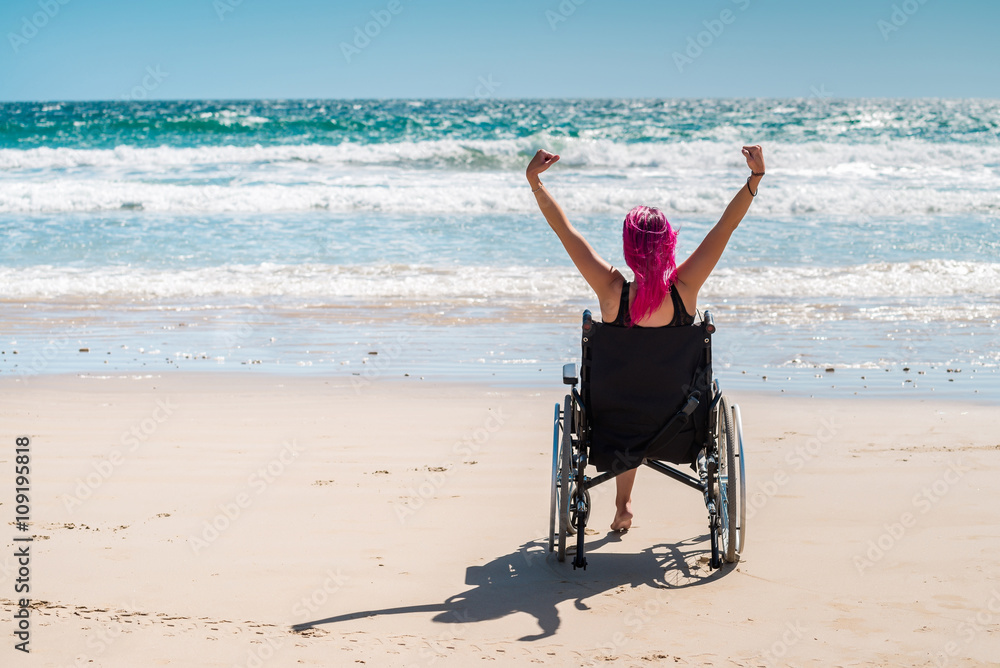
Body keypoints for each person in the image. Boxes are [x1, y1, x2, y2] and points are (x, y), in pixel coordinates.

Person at [526, 145, 765, 532]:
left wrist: (534, 182)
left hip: (612, 426)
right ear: (669, 241)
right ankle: (625, 503)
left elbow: (564, 230)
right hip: (681, 428)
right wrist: (754, 180)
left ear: (628, 247)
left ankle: (623, 505)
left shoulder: (610, 291)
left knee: (628, 395)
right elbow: (725, 227)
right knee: (652, 395)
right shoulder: (685, 289)